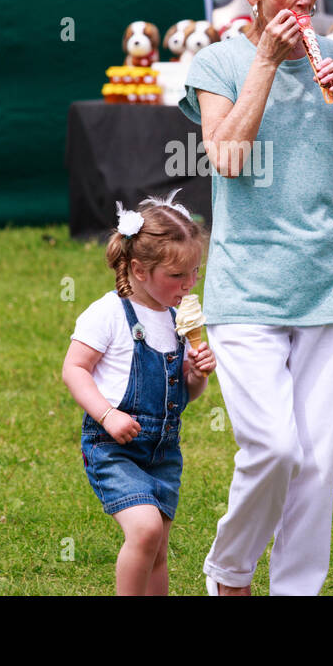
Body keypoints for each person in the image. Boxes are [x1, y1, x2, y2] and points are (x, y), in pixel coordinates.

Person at [180, 0, 333, 595]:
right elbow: (227, 157)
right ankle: (230, 570)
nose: (302, 4)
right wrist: (265, 58)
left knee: (316, 466)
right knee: (273, 449)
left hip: (326, 285)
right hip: (247, 289)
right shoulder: (220, 63)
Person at [62, 194, 216, 596]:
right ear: (138, 270)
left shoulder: (178, 320)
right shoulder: (108, 313)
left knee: (158, 548)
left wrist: (195, 374)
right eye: (177, 275)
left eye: (194, 274)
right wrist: (107, 414)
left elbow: (185, 396)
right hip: (112, 446)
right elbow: (74, 369)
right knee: (145, 530)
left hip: (163, 452)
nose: (188, 285)